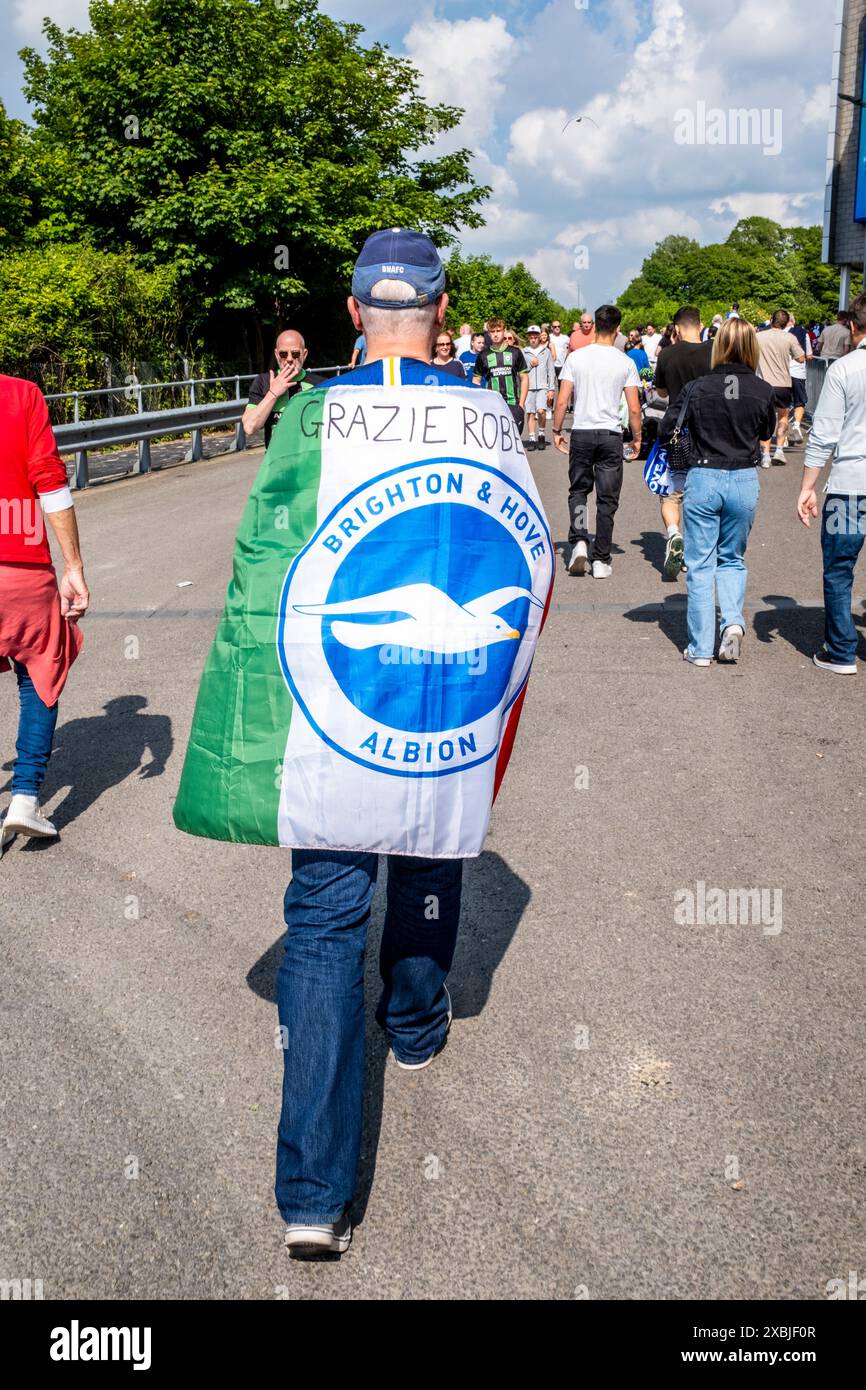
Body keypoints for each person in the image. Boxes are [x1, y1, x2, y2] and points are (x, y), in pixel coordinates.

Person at [173, 227, 552, 1257]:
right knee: (432, 840)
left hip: (330, 711)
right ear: (442, 305)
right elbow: (528, 549)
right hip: (441, 698)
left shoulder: (313, 415)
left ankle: (309, 1193)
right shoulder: (488, 417)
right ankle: (417, 1021)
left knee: (325, 914)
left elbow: (265, 562)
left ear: (351, 312)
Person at [0, 374, 90, 852]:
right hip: (21, 568)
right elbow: (49, 482)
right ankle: (25, 799)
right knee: (40, 671)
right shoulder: (21, 395)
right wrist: (73, 567)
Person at [659, 318, 775, 666]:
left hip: (704, 475)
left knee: (700, 564)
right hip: (742, 476)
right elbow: (767, 429)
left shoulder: (697, 387)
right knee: (732, 559)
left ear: (719, 345)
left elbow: (667, 428)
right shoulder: (761, 389)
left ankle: (700, 649)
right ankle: (734, 624)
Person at [797, 292, 866, 673]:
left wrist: (808, 486)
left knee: (840, 568)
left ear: (852, 327)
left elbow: (824, 434)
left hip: (848, 487)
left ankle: (841, 651)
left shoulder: (843, 369)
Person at [553, 303, 641, 579]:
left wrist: (556, 430)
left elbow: (563, 399)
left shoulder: (576, 358)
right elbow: (634, 408)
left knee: (579, 490)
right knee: (607, 498)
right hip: (610, 435)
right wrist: (637, 438)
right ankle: (601, 558)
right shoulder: (624, 362)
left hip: (581, 432)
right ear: (616, 330)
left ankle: (579, 540)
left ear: (593, 328)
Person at [653, 306, 714, 579]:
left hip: (677, 432)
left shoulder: (667, 354)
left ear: (676, 329)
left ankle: (674, 533)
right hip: (710, 431)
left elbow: (661, 391)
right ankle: (693, 553)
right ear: (700, 325)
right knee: (700, 495)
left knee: (672, 494)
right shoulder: (715, 351)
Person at [243, 330, 324, 448]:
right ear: (276, 355)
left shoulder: (320, 384)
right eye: (283, 354)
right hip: (276, 462)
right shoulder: (263, 382)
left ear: (304, 354)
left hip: (307, 461)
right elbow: (249, 427)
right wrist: (273, 393)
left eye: (295, 354)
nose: (289, 359)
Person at [756, 310, 804, 466]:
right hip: (783, 383)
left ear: (771, 320)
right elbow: (801, 358)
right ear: (786, 323)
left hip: (763, 384)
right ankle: (779, 451)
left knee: (765, 420)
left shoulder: (758, 337)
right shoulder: (790, 338)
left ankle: (765, 456)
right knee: (782, 417)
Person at [473, 317, 529, 430]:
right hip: (492, 404)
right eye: (492, 331)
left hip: (513, 404)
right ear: (488, 333)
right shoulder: (483, 355)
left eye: (498, 330)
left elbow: (525, 378)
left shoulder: (515, 352)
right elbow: (476, 380)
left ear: (504, 331)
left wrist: (521, 404)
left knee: (515, 441)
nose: (495, 334)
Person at [523, 324, 556, 450]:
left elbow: (551, 371)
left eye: (535, 337)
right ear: (528, 338)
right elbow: (521, 371)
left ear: (539, 337)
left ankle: (541, 433)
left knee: (541, 411)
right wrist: (530, 365)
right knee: (530, 413)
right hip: (529, 387)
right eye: (531, 337)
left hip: (542, 386)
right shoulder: (524, 352)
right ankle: (532, 437)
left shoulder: (546, 351)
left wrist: (551, 389)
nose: (533, 339)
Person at [786, 312, 812, 444]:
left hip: (782, 372)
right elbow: (808, 355)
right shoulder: (803, 333)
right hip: (798, 372)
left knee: (782, 403)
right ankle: (796, 425)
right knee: (799, 401)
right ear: (793, 321)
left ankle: (783, 433)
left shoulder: (779, 334)